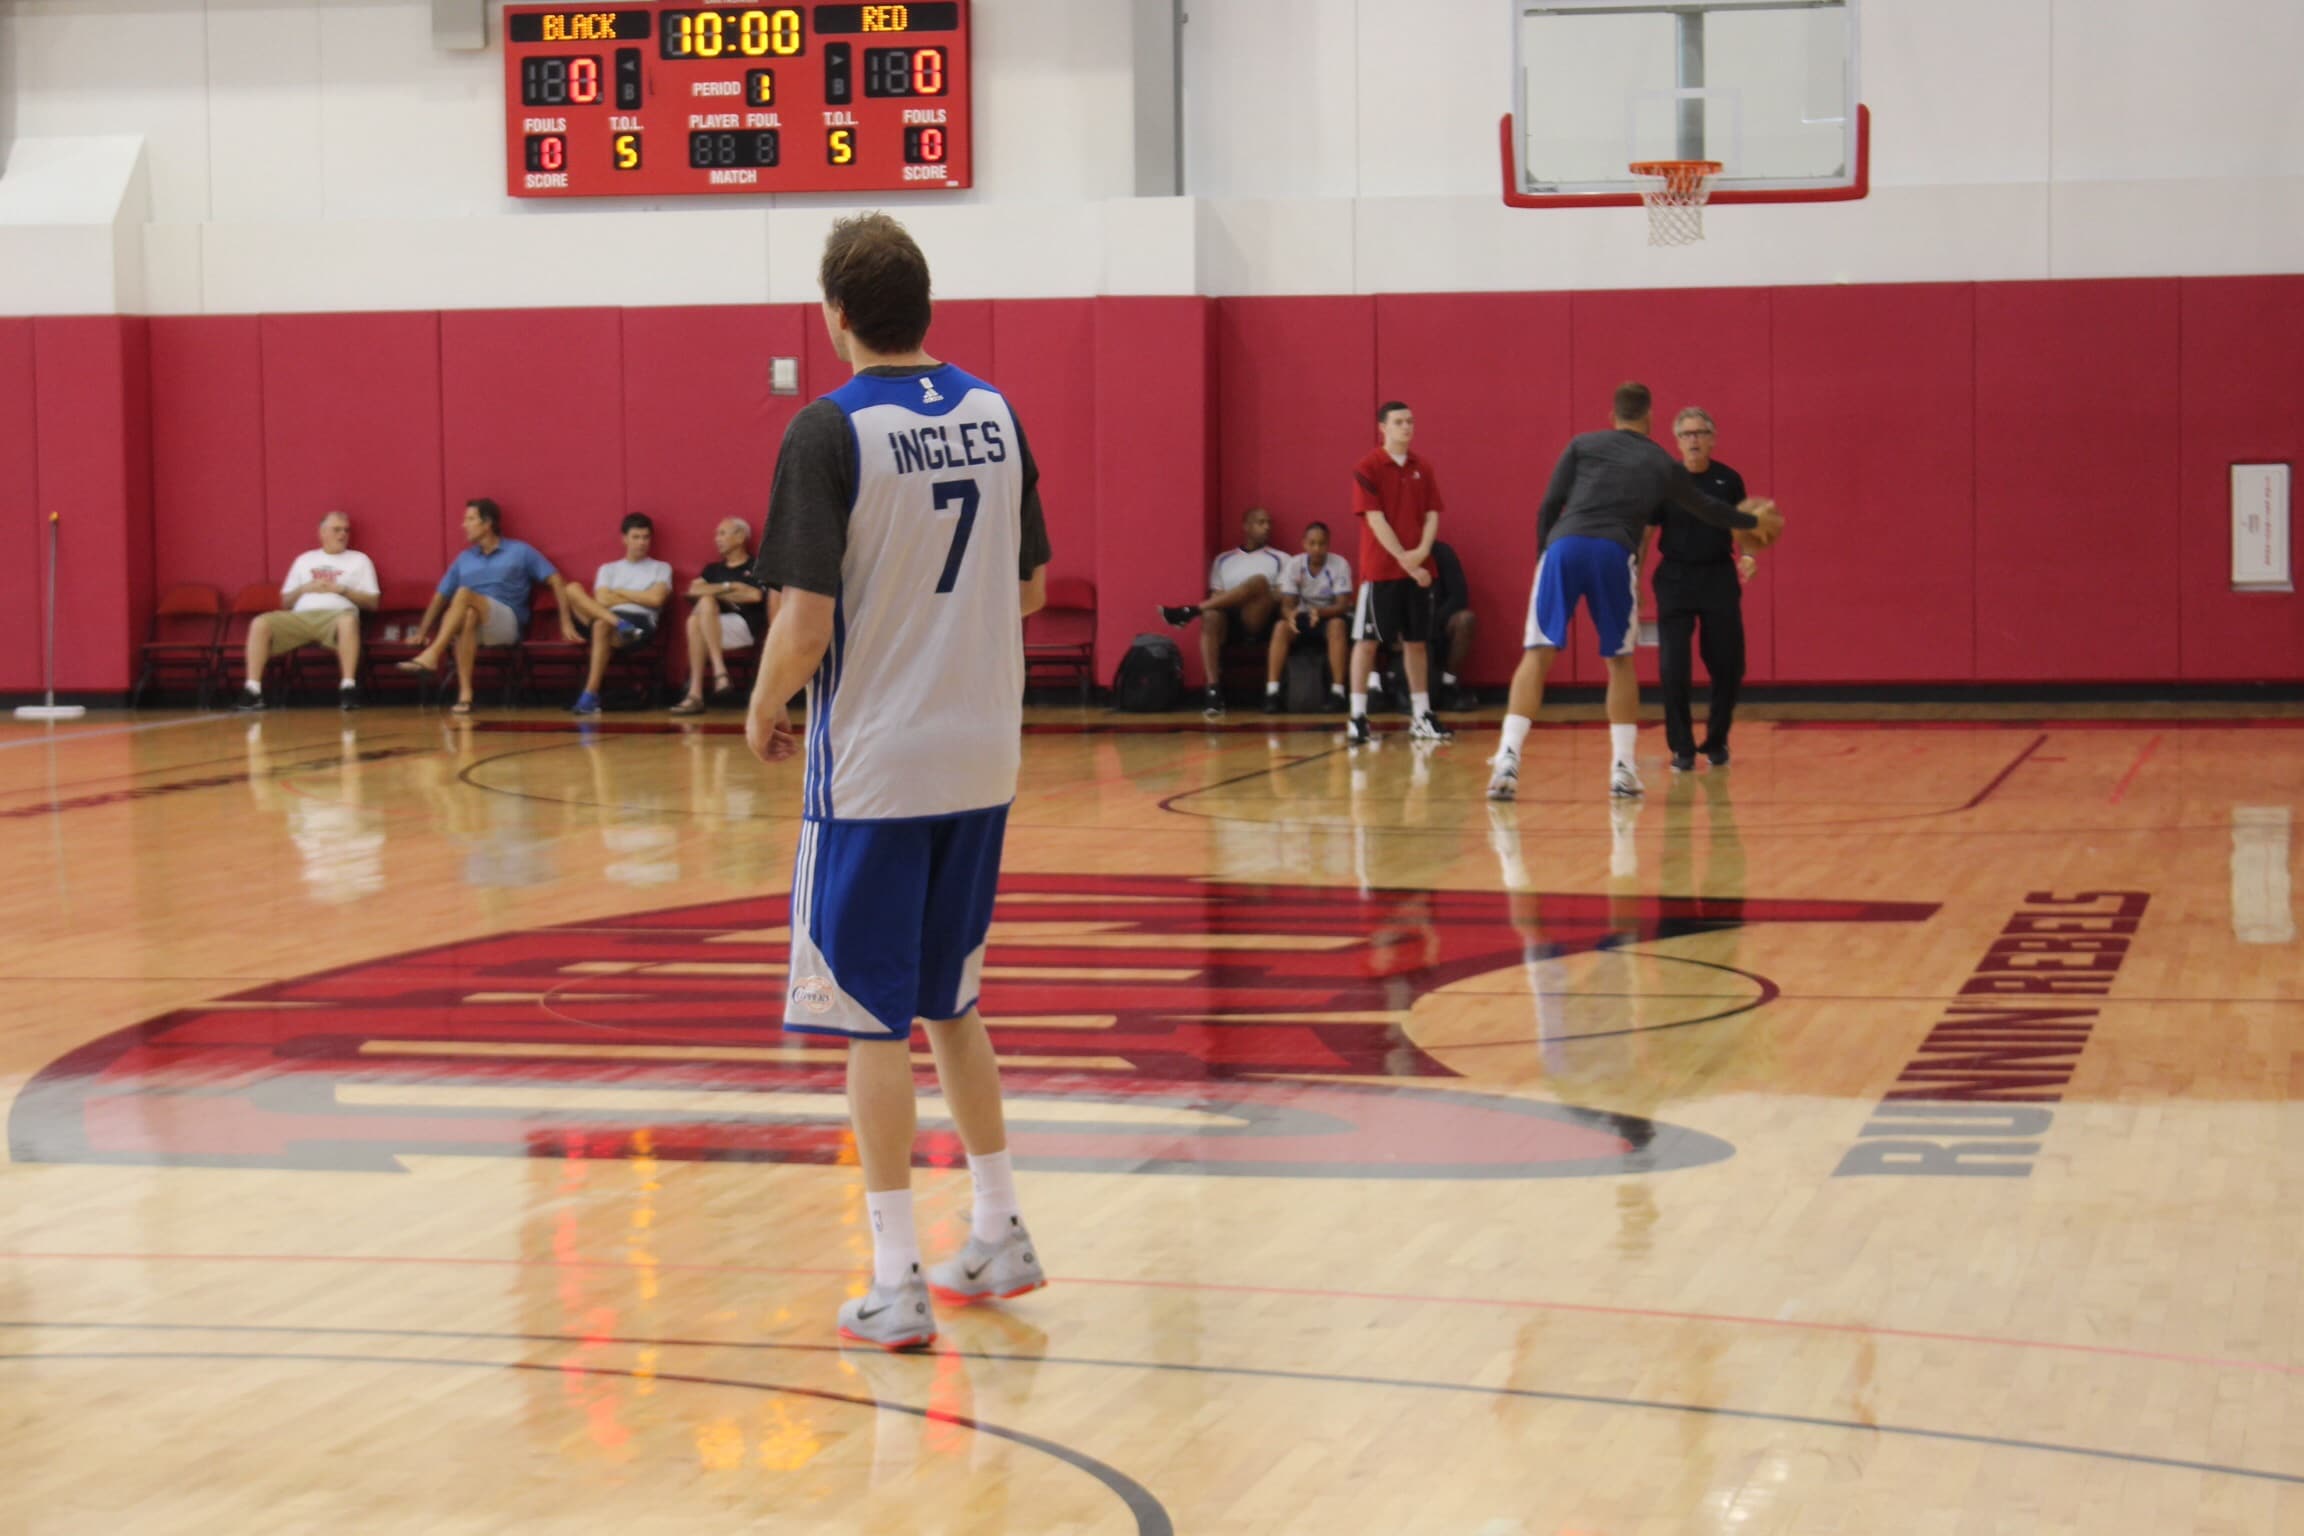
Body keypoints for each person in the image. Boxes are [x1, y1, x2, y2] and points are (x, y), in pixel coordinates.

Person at [745, 211, 1053, 1352]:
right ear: (925, 307)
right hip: (984, 752)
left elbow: (806, 617)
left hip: (878, 763)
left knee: (869, 1020)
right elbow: (1027, 592)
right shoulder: (993, 411)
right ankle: (999, 1228)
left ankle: (895, 1278)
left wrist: (766, 703)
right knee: (951, 1000)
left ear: (834, 317)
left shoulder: (826, 432)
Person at [1486, 382, 1781, 803]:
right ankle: (1623, 770)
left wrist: (1543, 556)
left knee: (1537, 655)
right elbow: (1707, 509)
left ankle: (1508, 760)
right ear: (1650, 418)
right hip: (1612, 551)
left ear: (1612, 416)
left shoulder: (1582, 444)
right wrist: (1751, 524)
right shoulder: (1659, 460)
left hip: (1564, 547)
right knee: (1619, 662)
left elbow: (1549, 505)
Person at [397, 498, 570, 716]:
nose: (464, 525)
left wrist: (565, 621)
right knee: (468, 614)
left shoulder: (520, 551)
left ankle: (433, 654)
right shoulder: (464, 558)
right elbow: (440, 597)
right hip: (474, 622)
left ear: (487, 523)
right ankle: (466, 696)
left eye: (470, 519)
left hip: (507, 622)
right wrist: (421, 632)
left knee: (464, 593)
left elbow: (555, 579)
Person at [1653, 407, 1756, 771]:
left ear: (1712, 439)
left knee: (1728, 664)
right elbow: (1648, 530)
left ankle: (1717, 740)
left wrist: (1747, 555)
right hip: (1675, 579)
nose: (1693, 440)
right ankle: (1681, 748)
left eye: (1700, 433)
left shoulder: (1728, 480)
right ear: (1677, 441)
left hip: (1717, 577)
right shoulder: (1666, 481)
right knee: (1673, 666)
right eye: (1686, 434)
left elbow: (1743, 525)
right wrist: (1631, 576)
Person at [1347, 401, 1452, 745]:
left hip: (1418, 569)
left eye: (1410, 421)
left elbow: (1433, 513)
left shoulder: (1425, 467)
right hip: (1381, 571)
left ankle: (1422, 714)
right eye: (1399, 422)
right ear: (1383, 427)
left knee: (1417, 642)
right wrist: (1406, 560)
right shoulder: (1368, 467)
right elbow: (1374, 519)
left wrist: (1422, 553)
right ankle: (1357, 716)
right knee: (1366, 642)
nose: (1407, 427)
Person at [234, 510, 379, 712]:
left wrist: (342, 590)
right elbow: (286, 601)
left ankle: (348, 687)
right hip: (301, 617)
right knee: (260, 623)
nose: (342, 535)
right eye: (336, 530)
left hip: (337, 618)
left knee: (348, 622)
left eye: (346, 530)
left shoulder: (359, 560)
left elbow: (372, 602)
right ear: (321, 533)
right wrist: (305, 588)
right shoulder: (304, 560)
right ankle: (253, 690)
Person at [1159, 507, 1286, 719]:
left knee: (1259, 581)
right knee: (1210, 616)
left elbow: (1279, 596)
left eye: (1268, 523)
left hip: (1258, 620)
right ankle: (1213, 691)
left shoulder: (1280, 558)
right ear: (1246, 526)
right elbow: (1217, 597)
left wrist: (1248, 593)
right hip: (1229, 621)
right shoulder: (1223, 560)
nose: (1266, 527)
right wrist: (1233, 598)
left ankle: (1191, 611)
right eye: (1260, 522)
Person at [560, 513, 672, 716]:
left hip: (639, 623)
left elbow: (655, 600)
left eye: (646, 537)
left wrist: (620, 592)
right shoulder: (609, 569)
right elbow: (602, 599)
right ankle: (618, 623)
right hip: (608, 616)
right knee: (571, 589)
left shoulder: (661, 568)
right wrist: (640, 595)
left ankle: (590, 695)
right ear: (624, 539)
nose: (641, 542)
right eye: (636, 537)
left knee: (601, 624)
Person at [670, 517, 772, 714]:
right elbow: (692, 590)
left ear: (740, 536)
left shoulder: (755, 566)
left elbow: (755, 595)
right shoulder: (713, 569)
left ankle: (696, 693)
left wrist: (712, 591)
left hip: (743, 627)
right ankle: (718, 673)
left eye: (723, 533)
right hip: (714, 628)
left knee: (700, 611)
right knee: (699, 612)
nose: (717, 539)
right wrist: (730, 587)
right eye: (717, 534)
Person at [1268, 519, 1352, 711]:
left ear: (1328, 544)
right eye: (1312, 543)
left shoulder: (1339, 565)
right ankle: (1272, 692)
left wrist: (1320, 613)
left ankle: (1337, 692)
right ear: (1304, 543)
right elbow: (1287, 605)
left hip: (1329, 616)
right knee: (1280, 627)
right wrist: (1290, 615)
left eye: (1321, 543)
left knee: (1338, 626)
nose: (1316, 548)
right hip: (1303, 617)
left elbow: (1342, 605)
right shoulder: (1294, 564)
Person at [1427, 539, 1476, 710]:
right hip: (1408, 628)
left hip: (1438, 622)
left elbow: (1459, 596)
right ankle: (1379, 687)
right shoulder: (1393, 554)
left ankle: (1449, 682)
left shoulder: (1442, 552)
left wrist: (1433, 622)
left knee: (1465, 619)